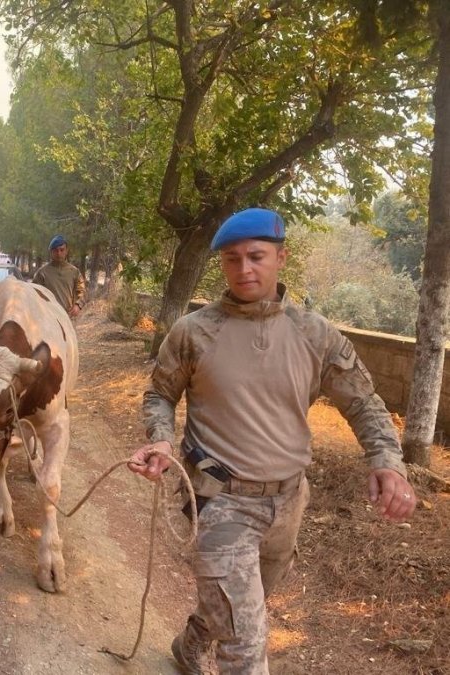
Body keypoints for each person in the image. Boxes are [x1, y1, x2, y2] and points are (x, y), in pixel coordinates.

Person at [127, 207, 417, 675]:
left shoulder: (316, 334)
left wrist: (387, 460)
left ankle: (190, 643)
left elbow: (364, 402)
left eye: (256, 256)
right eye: (232, 259)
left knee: (243, 602)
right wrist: (161, 440)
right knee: (246, 644)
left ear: (281, 258)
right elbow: (160, 394)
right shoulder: (194, 332)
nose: (244, 269)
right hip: (219, 501)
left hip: (288, 502)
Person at [32, 234, 87, 318]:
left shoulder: (74, 272)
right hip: (48, 318)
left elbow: (82, 291)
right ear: (51, 252)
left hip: (68, 317)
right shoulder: (42, 273)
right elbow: (33, 293)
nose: (59, 253)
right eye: (55, 250)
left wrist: (78, 305)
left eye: (62, 250)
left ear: (66, 251)